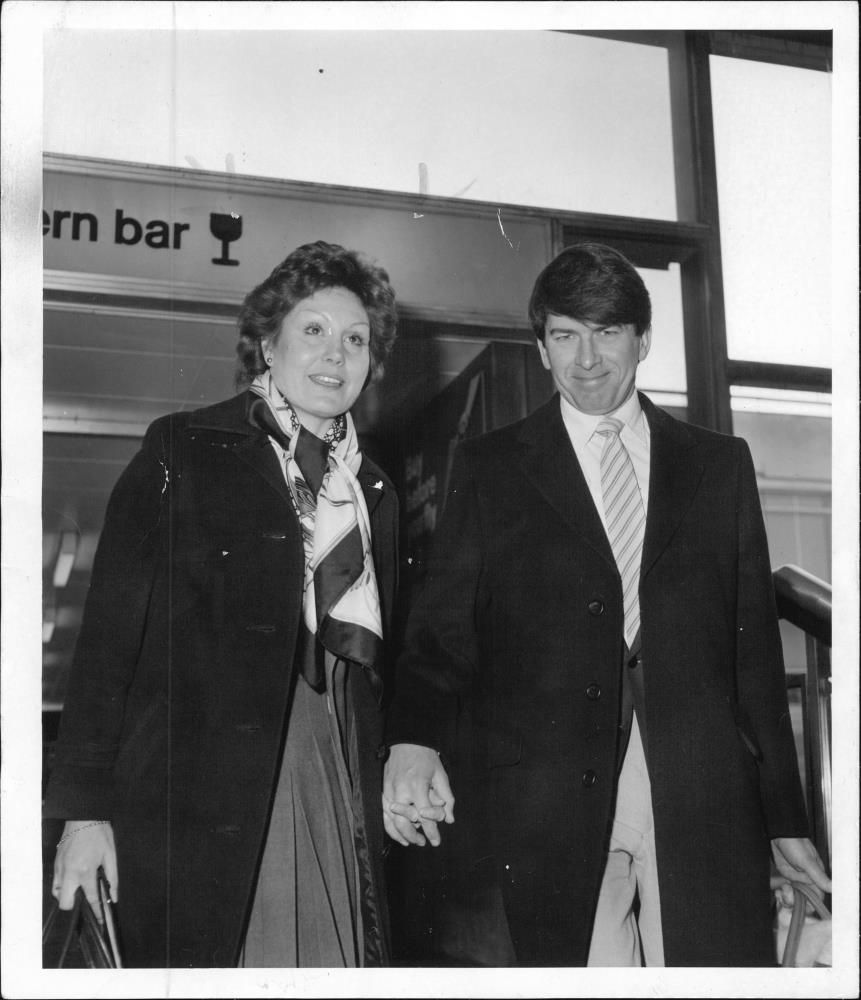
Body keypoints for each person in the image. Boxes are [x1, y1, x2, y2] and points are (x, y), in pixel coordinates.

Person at [382, 242, 831, 967]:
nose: (584, 358)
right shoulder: (491, 469)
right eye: (564, 335)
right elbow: (441, 632)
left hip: (698, 789)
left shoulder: (718, 466)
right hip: (548, 795)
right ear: (540, 346)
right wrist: (412, 740)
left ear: (642, 340)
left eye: (606, 333)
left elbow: (751, 657)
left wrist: (783, 818)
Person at [44, 240, 400, 968]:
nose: (336, 353)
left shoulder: (373, 492)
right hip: (198, 791)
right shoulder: (185, 449)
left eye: (355, 339)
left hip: (329, 772)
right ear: (267, 344)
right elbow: (108, 645)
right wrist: (83, 811)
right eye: (313, 331)